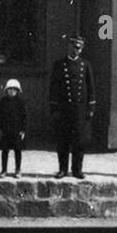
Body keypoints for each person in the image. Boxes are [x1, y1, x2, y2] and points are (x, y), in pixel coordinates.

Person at [49, 35, 95, 179]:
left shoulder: (85, 65)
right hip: (63, 110)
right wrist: (54, 109)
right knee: (63, 140)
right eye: (74, 47)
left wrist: (91, 108)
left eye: (79, 48)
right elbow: (53, 87)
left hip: (80, 110)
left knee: (79, 141)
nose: (76, 50)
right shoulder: (59, 64)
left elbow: (91, 87)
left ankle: (77, 170)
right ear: (69, 47)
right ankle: (62, 169)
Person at [0, 78, 28, 178]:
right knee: (5, 150)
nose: (12, 91)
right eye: (10, 89)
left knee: (18, 150)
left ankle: (18, 169)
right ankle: (3, 170)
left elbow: (24, 117)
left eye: (14, 89)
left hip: (17, 130)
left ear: (18, 91)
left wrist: (23, 130)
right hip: (5, 130)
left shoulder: (21, 102)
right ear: (6, 90)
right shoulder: (2, 101)